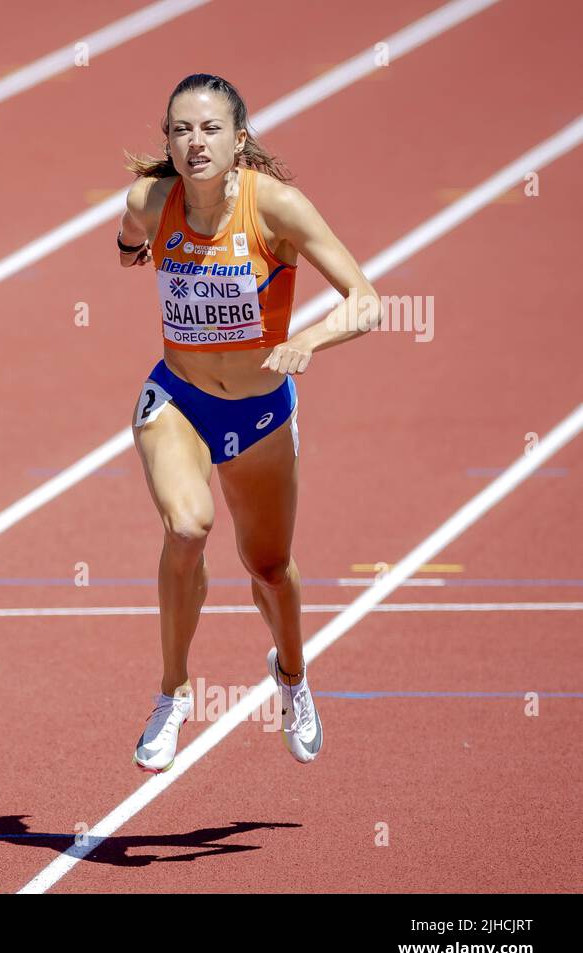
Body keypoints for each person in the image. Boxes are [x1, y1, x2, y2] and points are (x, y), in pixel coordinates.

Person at [117, 75, 379, 772]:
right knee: (187, 526)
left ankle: (291, 675)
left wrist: (309, 342)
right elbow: (129, 233)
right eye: (179, 130)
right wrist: (126, 249)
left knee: (268, 567)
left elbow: (366, 299)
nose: (193, 142)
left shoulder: (277, 209)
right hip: (179, 399)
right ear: (167, 140)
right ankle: (172, 692)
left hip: (261, 411)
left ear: (239, 140)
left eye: (208, 129)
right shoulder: (152, 199)